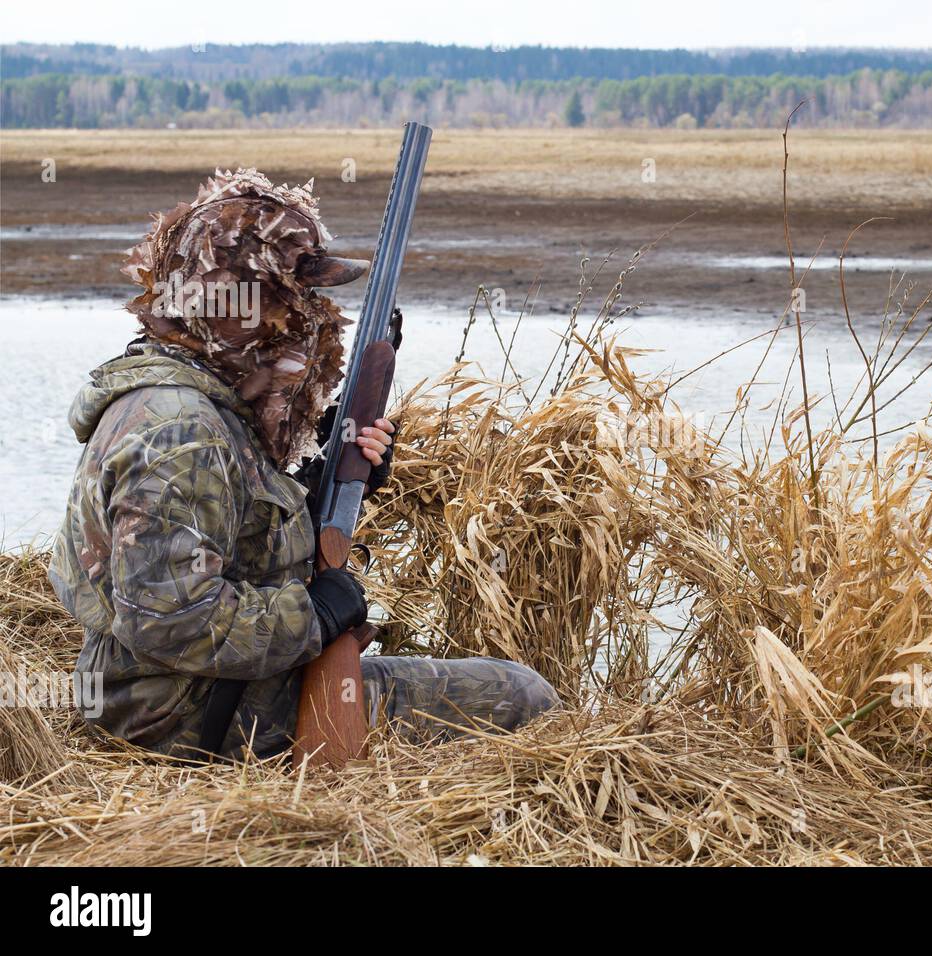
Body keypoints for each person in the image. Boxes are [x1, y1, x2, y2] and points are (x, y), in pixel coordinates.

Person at [48, 168, 557, 761]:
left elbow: (225, 535)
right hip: (177, 716)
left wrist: (318, 492)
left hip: (161, 693)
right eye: (297, 299)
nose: (315, 321)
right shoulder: (182, 433)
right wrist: (313, 616)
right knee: (522, 695)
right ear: (241, 306)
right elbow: (171, 623)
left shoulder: (187, 400)